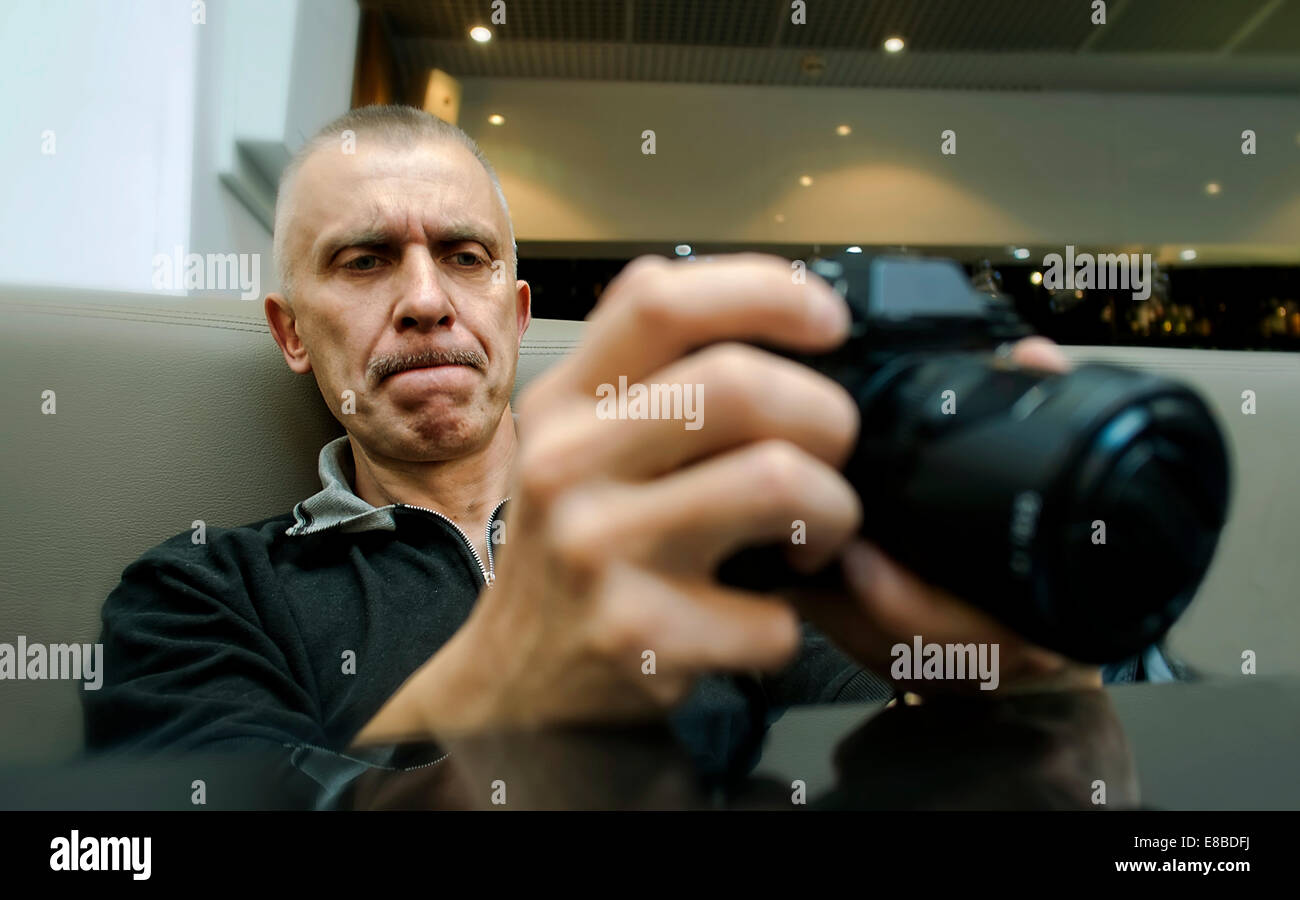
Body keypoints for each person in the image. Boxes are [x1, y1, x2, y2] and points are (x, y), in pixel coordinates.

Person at [82, 105, 1165, 798]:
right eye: (364, 261)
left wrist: (1040, 683)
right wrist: (505, 692)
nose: (423, 301)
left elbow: (892, 740)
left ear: (513, 310)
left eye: (462, 256)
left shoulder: (726, 515)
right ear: (287, 330)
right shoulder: (198, 590)